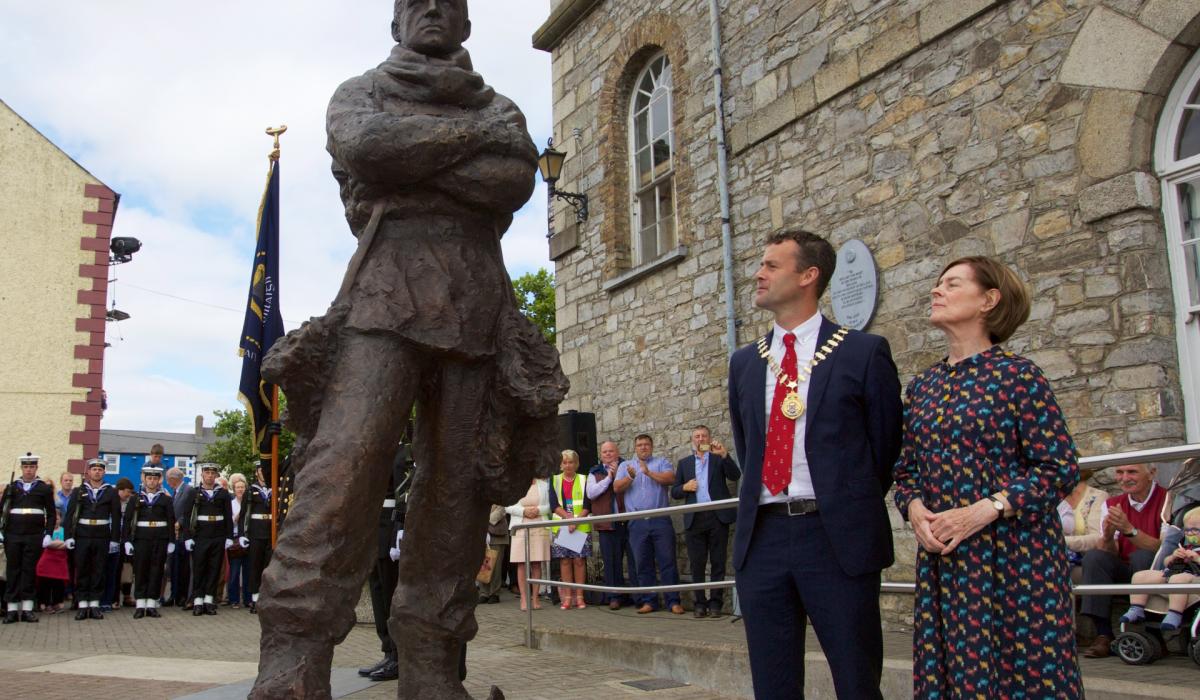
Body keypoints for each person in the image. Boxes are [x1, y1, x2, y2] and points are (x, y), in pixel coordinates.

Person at [250, 2, 567, 696]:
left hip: (478, 305)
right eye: (415, 2)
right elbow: (365, 149)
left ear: (465, 25)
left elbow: (509, 181)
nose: (430, 10)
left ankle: (431, 666)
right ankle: (293, 660)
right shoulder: (361, 92)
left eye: (447, 3)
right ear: (397, 23)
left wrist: (413, 160)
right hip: (384, 295)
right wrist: (465, 142)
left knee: (457, 492)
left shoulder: (503, 109)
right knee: (343, 471)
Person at [893, 256, 1082, 697]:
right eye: (937, 283)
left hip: (1017, 559)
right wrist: (916, 510)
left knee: (1023, 675)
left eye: (952, 283)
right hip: (947, 557)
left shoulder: (1019, 376)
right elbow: (905, 471)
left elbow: (1059, 468)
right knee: (955, 675)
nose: (937, 290)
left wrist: (988, 509)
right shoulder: (923, 386)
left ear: (989, 300)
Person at [728, 231, 903, 699]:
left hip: (834, 537)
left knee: (856, 678)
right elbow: (748, 449)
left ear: (808, 276)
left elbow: (883, 447)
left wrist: (843, 501)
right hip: (762, 537)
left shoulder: (862, 353)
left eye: (771, 265)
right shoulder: (744, 363)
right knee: (774, 684)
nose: (758, 274)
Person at [1079, 463, 1166, 657]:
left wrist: (1129, 530)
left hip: (1158, 570)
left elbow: (1163, 548)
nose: (1124, 478)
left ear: (1152, 473)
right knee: (1094, 557)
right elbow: (1110, 551)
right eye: (1119, 472)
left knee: (1142, 556)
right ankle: (1103, 634)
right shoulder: (1112, 504)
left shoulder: (1167, 499)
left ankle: (1152, 633)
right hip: (1126, 569)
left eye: (1132, 472)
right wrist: (1108, 537)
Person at [671, 425, 740, 618]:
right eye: (697, 436)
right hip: (695, 517)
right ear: (692, 440)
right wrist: (685, 486)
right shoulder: (684, 463)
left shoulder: (718, 458)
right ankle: (700, 603)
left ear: (709, 439)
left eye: (704, 436)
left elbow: (735, 476)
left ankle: (716, 604)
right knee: (697, 564)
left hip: (717, 516)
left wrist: (725, 455)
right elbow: (674, 492)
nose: (700, 439)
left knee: (718, 562)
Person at [615, 434, 683, 615]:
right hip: (637, 522)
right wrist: (630, 477)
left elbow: (671, 479)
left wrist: (649, 472)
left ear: (652, 446)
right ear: (635, 448)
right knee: (642, 563)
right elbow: (617, 488)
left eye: (646, 444)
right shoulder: (625, 466)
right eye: (639, 445)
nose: (643, 447)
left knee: (667, 561)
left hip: (660, 519)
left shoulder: (661, 462)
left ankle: (673, 601)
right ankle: (649, 601)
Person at [361, 445, 413, 683]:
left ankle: (399, 655)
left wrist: (401, 527)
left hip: (390, 528)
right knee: (378, 593)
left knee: (392, 595)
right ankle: (388, 650)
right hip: (374, 528)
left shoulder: (403, 451)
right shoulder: (376, 451)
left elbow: (405, 492)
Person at [1121, 506, 1200, 631]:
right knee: (1139, 576)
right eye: (1187, 530)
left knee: (1177, 580)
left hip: (1194, 578)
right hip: (1172, 573)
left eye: (1195, 530)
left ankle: (1175, 614)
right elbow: (1166, 562)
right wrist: (1173, 556)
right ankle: (1137, 608)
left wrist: (1196, 558)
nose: (1189, 533)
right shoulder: (1185, 546)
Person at [63, 458, 120, 620]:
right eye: (94, 469)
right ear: (88, 472)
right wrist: (68, 537)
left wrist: (114, 540)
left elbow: (116, 517)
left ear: (104, 472)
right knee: (82, 570)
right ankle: (82, 605)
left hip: (102, 536)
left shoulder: (110, 491)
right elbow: (70, 515)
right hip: (82, 535)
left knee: (98, 570)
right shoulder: (79, 491)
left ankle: (94, 604)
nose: (97, 472)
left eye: (100, 469)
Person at [2, 454, 56, 623]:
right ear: (21, 469)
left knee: (29, 571)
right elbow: (2, 510)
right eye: (26, 467)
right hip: (13, 535)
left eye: (32, 467)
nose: (29, 470)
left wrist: (48, 534)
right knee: (13, 571)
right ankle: (11, 609)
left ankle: (26, 609)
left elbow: (52, 514)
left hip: (34, 536)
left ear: (36, 468)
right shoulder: (12, 488)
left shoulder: (43, 488)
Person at [586, 441, 636, 610]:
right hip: (607, 523)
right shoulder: (595, 471)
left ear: (617, 452)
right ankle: (614, 596)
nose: (608, 454)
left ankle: (637, 596)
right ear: (601, 455)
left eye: (611, 451)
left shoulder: (627, 466)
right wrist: (608, 478)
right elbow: (591, 493)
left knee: (634, 560)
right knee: (611, 562)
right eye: (605, 452)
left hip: (628, 521)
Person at [180, 463, 234, 616]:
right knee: (199, 568)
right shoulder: (194, 493)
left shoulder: (223, 493)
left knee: (214, 569)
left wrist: (229, 536)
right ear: (202, 474)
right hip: (200, 536)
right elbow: (187, 515)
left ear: (216, 475)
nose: (210, 475)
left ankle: (209, 601)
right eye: (207, 472)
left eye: (212, 473)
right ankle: (197, 600)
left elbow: (228, 517)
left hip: (218, 535)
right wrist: (187, 537)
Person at [124, 463, 175, 619]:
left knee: (156, 571)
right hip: (141, 539)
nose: (152, 481)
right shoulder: (135, 499)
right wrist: (127, 541)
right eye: (149, 478)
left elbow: (170, 520)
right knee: (140, 571)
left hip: (159, 539)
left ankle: (152, 604)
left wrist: (171, 541)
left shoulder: (165, 500)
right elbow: (127, 521)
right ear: (144, 479)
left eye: (155, 478)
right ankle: (140, 605)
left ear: (159, 480)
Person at [548, 449, 591, 610]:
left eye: (571, 462)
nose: (568, 465)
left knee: (579, 561)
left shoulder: (584, 479)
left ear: (576, 464)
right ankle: (567, 597)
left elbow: (587, 504)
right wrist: (568, 518)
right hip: (562, 526)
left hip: (580, 526)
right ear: (560, 464)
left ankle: (579, 597)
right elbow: (554, 505)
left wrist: (576, 520)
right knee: (565, 561)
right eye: (565, 462)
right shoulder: (554, 480)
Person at [507, 478, 550, 611]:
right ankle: (524, 599)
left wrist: (537, 510)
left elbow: (549, 506)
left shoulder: (543, 485)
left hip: (538, 524)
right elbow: (507, 506)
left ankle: (535, 598)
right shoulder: (514, 483)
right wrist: (523, 512)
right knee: (521, 563)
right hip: (520, 526)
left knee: (536, 563)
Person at [1058, 469, 1106, 581]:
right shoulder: (1053, 496)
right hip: (1056, 558)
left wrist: (1061, 542)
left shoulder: (1098, 497)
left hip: (1085, 562)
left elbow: (1098, 538)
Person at [239, 466, 274, 614]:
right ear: (257, 472)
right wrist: (242, 534)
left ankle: (269, 599)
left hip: (271, 533)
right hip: (255, 533)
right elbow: (243, 514)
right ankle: (255, 598)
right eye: (261, 470)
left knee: (270, 568)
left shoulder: (276, 490)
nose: (264, 473)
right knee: (255, 567)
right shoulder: (250, 491)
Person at [165, 460, 192, 608]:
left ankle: (181, 596)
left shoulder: (188, 490)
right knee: (173, 567)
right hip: (174, 536)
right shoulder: (175, 492)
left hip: (182, 535)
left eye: (169, 481)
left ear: (173, 479)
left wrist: (179, 523)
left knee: (182, 568)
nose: (168, 484)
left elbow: (187, 511)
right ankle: (173, 595)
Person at [477, 503, 509, 604]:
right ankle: (483, 593)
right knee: (482, 565)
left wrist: (482, 518)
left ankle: (494, 593)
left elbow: (501, 510)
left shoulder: (500, 492)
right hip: (480, 533)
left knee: (496, 566)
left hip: (497, 535)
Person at [226, 473, 250, 609]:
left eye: (242, 487)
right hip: (235, 540)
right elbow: (229, 523)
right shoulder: (231, 504)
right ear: (234, 490)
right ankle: (233, 598)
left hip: (247, 540)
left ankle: (247, 598)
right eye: (238, 487)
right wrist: (237, 517)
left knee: (247, 571)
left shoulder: (250, 504)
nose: (240, 490)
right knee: (234, 572)